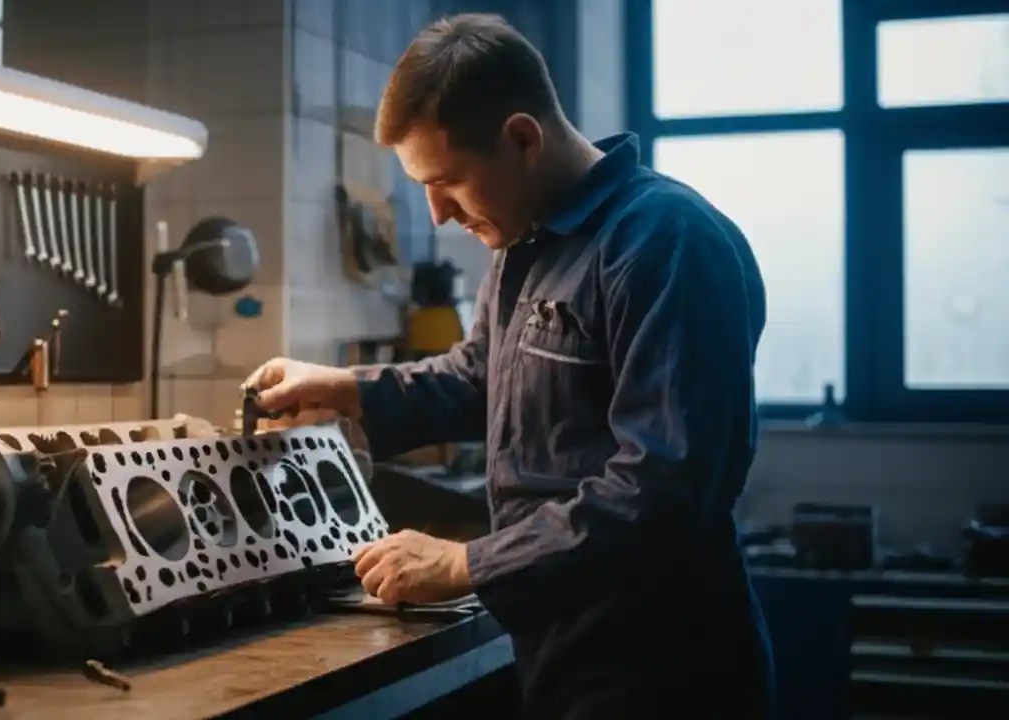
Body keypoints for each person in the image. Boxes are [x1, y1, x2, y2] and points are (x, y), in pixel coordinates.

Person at [244, 13, 775, 719]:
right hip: (562, 646)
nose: (436, 215)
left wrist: (464, 564)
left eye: (449, 182)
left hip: (661, 665)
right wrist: (343, 389)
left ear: (522, 138)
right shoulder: (524, 246)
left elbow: (662, 489)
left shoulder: (666, 242)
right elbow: (482, 377)